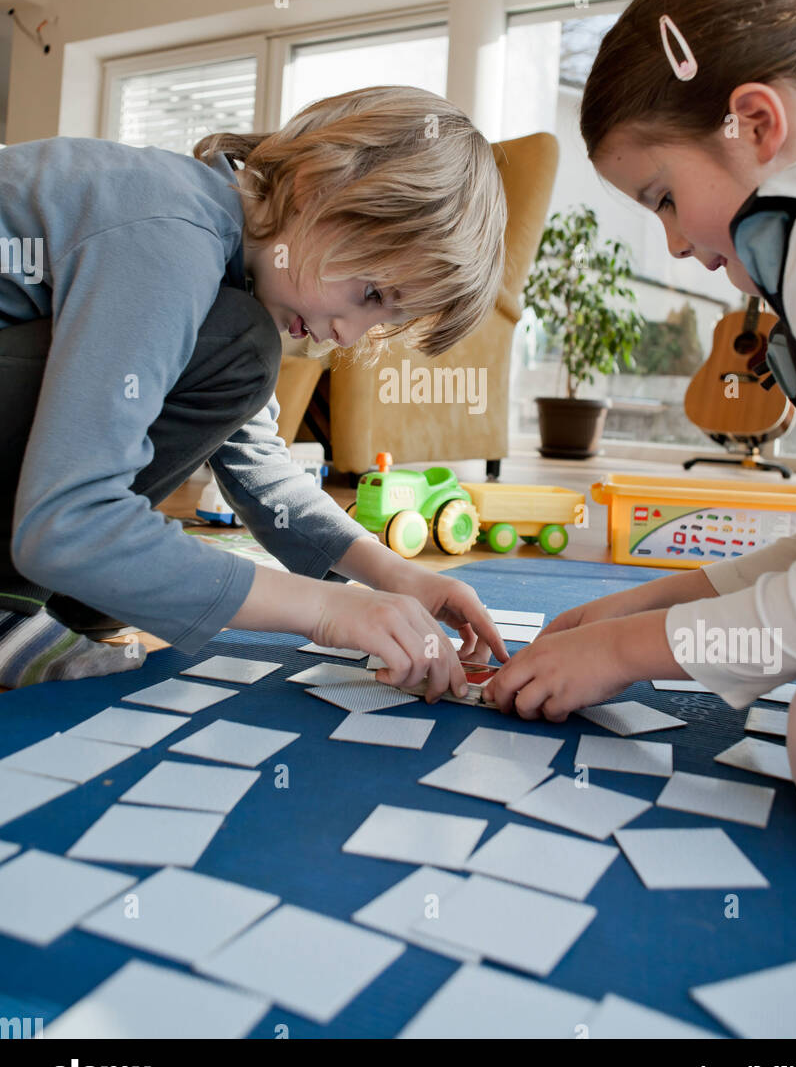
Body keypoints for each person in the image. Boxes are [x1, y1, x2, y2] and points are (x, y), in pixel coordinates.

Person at [484, 0, 796, 841]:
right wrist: (666, 598)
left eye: (662, 196)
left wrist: (628, 650)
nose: (673, 245)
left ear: (757, 127)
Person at [0, 84, 508, 695]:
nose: (348, 334)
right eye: (371, 293)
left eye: (385, 321)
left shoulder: (227, 256)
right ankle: (10, 613)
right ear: (312, 188)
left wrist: (392, 574)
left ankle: (38, 610)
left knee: (238, 351)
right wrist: (325, 610)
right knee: (240, 346)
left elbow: (259, 465)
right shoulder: (170, 233)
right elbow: (67, 520)